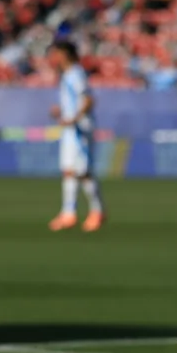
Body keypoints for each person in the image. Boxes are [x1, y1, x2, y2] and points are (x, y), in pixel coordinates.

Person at [47, 40, 104, 232]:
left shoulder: (76, 74)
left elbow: (88, 100)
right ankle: (68, 213)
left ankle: (97, 210)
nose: (53, 57)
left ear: (65, 54)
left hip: (80, 129)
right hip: (70, 129)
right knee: (69, 170)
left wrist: (74, 119)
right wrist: (61, 113)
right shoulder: (67, 75)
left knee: (82, 171)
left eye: (56, 53)